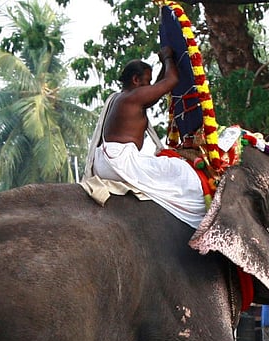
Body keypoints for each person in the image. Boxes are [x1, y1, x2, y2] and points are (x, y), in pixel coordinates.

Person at [84, 47, 206, 228]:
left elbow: (156, 91)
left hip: (108, 161)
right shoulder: (133, 97)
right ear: (135, 80)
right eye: (147, 81)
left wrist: (164, 66)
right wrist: (167, 57)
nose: (150, 86)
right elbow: (172, 81)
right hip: (121, 162)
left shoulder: (123, 97)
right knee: (183, 171)